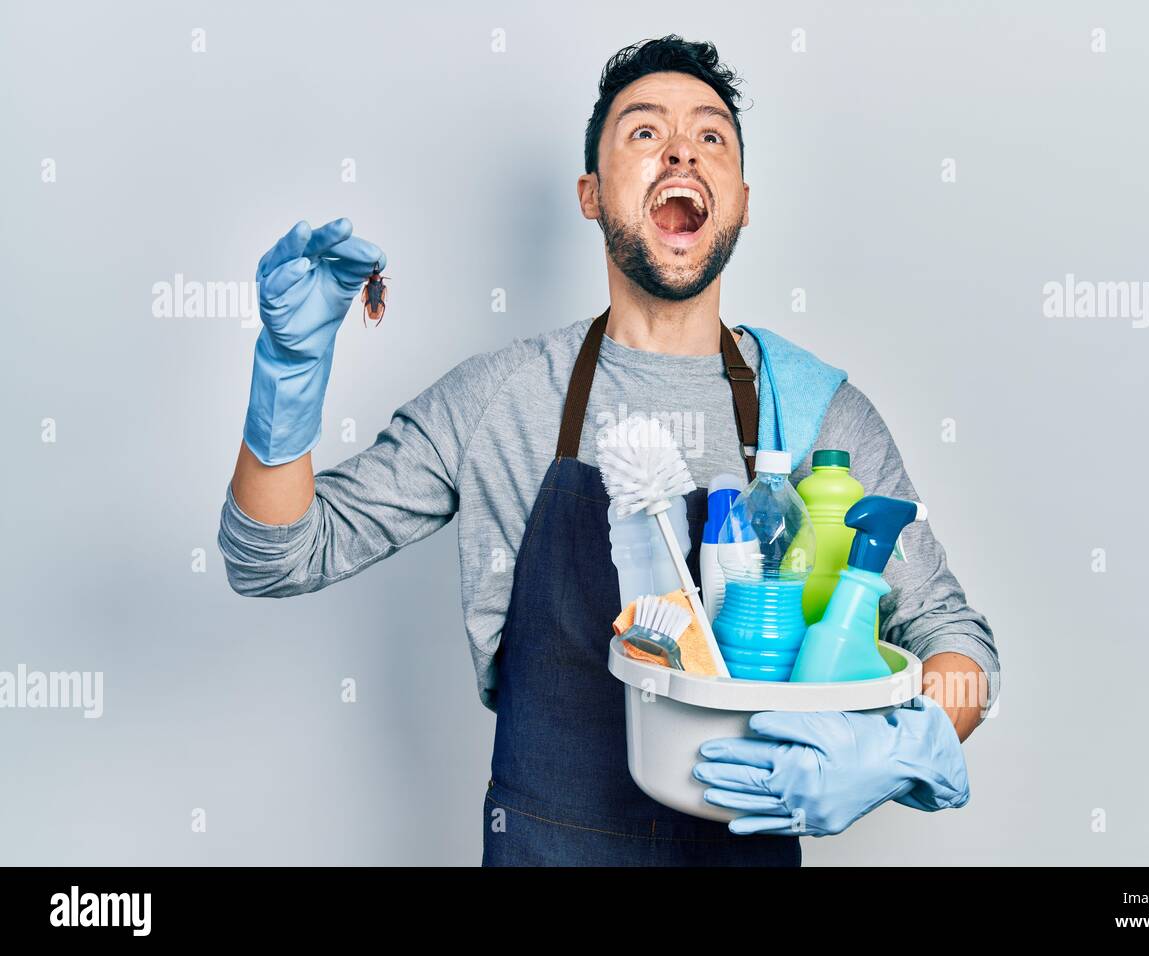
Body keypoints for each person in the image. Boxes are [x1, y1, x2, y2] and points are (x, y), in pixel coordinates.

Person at [219, 35, 999, 867]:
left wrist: (899, 750)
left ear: (739, 199)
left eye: (711, 137)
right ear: (590, 195)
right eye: (643, 132)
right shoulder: (505, 399)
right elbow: (276, 557)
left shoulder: (813, 412)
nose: (679, 150)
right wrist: (287, 379)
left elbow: (957, 643)